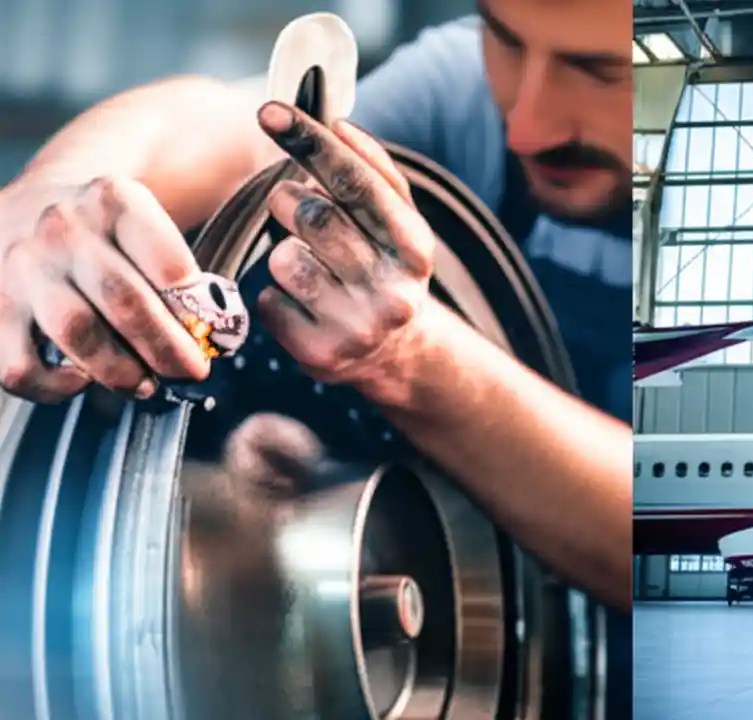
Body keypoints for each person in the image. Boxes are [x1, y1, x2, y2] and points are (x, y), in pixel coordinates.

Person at [0, 0, 632, 614]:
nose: (526, 127)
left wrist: (413, 356)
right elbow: (221, 133)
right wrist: (43, 203)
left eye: (601, 71)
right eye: (506, 39)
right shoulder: (460, 92)